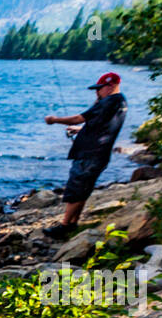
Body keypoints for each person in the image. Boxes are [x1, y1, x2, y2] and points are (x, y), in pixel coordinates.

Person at [42, 71, 127, 239]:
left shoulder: (108, 101)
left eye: (99, 88)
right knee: (84, 188)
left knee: (76, 188)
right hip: (100, 153)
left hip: (90, 153)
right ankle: (73, 223)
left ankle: (65, 226)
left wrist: (54, 120)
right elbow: (103, 126)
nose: (97, 92)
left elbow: (78, 118)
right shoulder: (120, 102)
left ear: (110, 86)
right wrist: (80, 130)